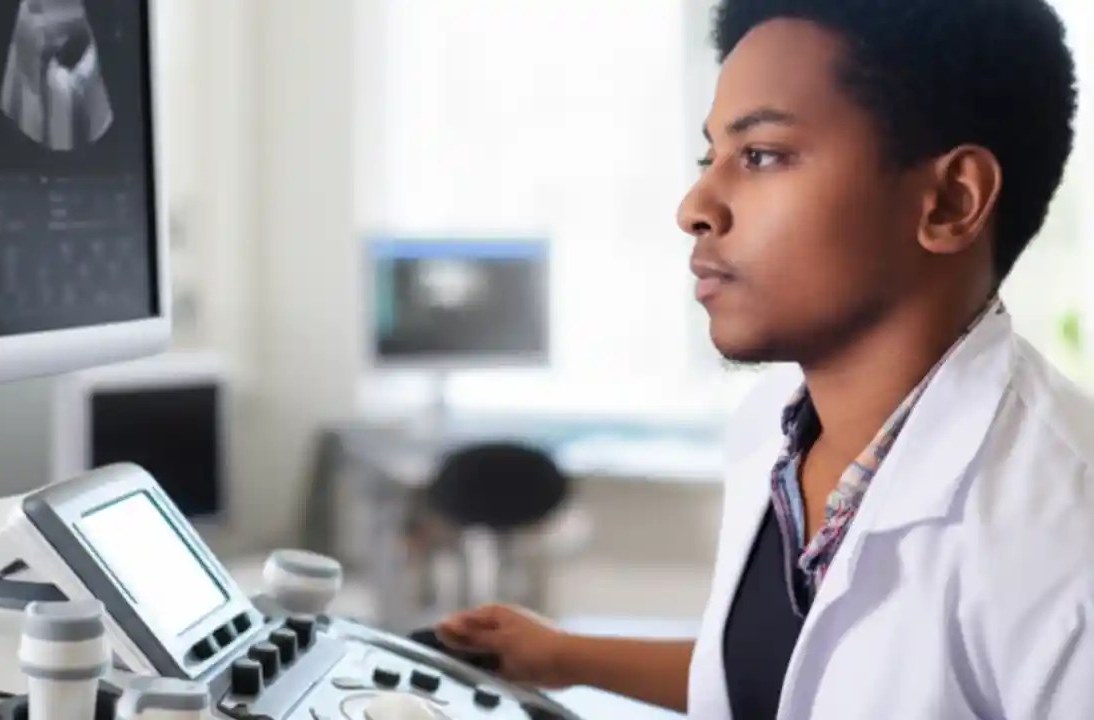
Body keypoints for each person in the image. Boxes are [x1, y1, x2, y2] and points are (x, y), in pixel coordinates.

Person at [435, 0, 1088, 717]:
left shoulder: (1064, 527)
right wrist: (565, 656)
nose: (695, 205)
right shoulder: (774, 434)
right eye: (707, 157)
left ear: (948, 202)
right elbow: (789, 675)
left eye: (763, 155)